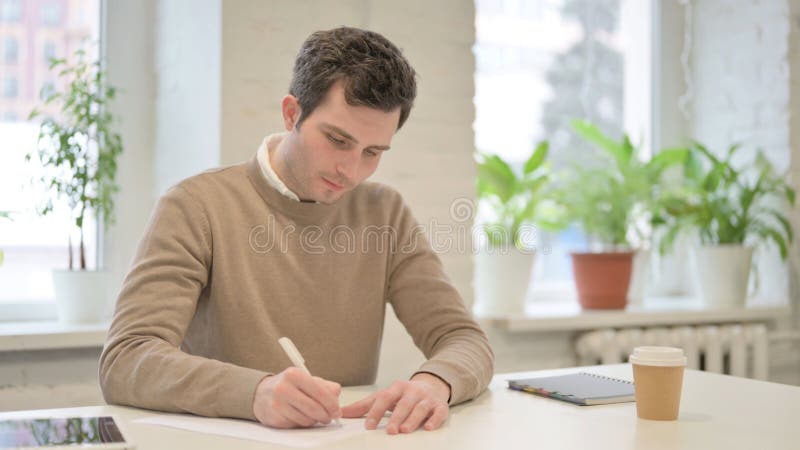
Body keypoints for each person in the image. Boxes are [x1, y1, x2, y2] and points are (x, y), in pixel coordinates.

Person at [99, 26, 493, 435]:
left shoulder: (384, 213)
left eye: (373, 152)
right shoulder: (196, 206)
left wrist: (436, 382)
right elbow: (126, 360)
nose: (351, 170)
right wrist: (255, 393)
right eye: (338, 140)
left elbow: (463, 338)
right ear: (292, 113)